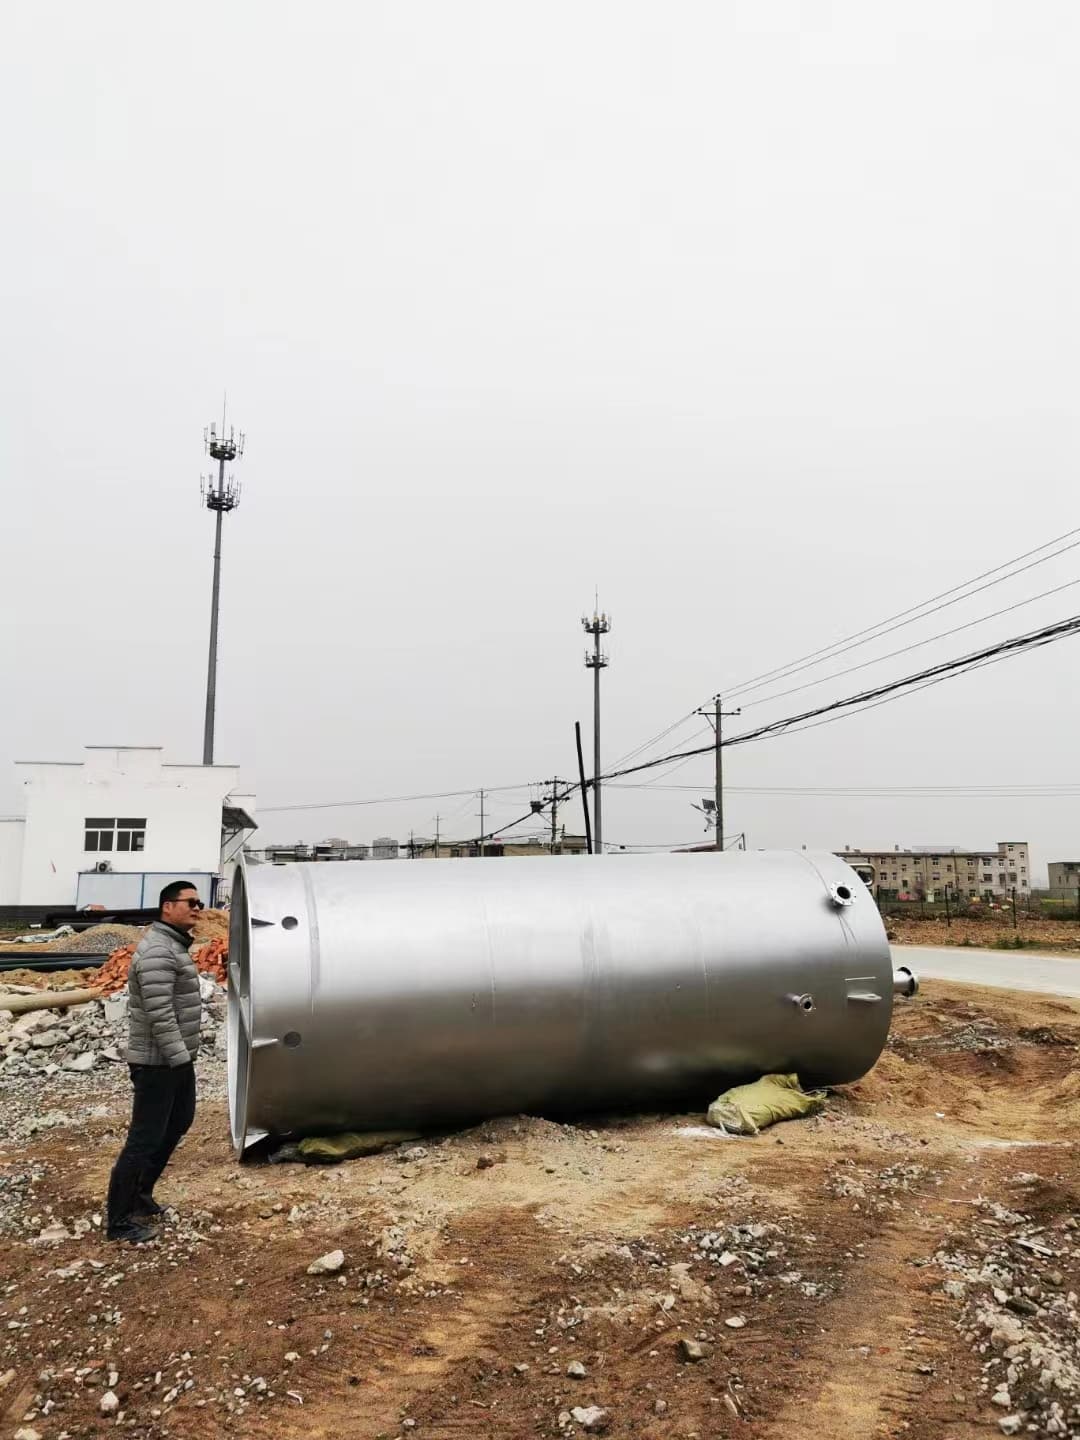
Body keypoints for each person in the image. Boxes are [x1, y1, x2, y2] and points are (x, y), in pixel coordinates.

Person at [105, 880, 204, 1242]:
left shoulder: (174, 946)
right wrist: (179, 1058)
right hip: (157, 1063)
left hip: (174, 1059)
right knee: (144, 1138)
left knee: (178, 1121)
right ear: (168, 907)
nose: (197, 908)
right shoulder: (159, 952)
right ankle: (119, 1220)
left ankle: (141, 1194)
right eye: (190, 902)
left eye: (199, 902)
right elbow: (159, 1012)